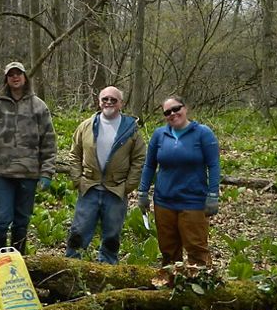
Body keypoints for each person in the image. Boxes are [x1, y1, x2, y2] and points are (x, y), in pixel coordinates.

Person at [0, 60, 57, 259]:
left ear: (24, 77)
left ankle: (17, 262)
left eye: (18, 74)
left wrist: (47, 173)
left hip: (29, 173)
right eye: (11, 74)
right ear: (6, 79)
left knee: (22, 222)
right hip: (2, 173)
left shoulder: (38, 106)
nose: (15, 77)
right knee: (1, 221)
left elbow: (49, 142)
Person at [137, 95, 220, 267]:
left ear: (185, 108)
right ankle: (171, 280)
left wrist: (213, 194)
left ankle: (201, 281)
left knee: (196, 249)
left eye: (176, 109)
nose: (173, 114)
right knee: (168, 250)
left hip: (193, 201)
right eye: (167, 112)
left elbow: (213, 165)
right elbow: (149, 165)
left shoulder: (203, 133)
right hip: (164, 201)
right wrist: (142, 192)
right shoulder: (159, 135)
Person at [65, 86, 145, 264]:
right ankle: (71, 266)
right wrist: (77, 179)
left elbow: (139, 158)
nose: (109, 102)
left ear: (121, 103)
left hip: (116, 189)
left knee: (112, 235)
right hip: (89, 187)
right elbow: (74, 154)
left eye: (113, 100)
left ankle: (107, 268)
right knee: (78, 232)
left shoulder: (131, 129)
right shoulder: (86, 126)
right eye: (105, 99)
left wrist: (129, 185)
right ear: (99, 102)